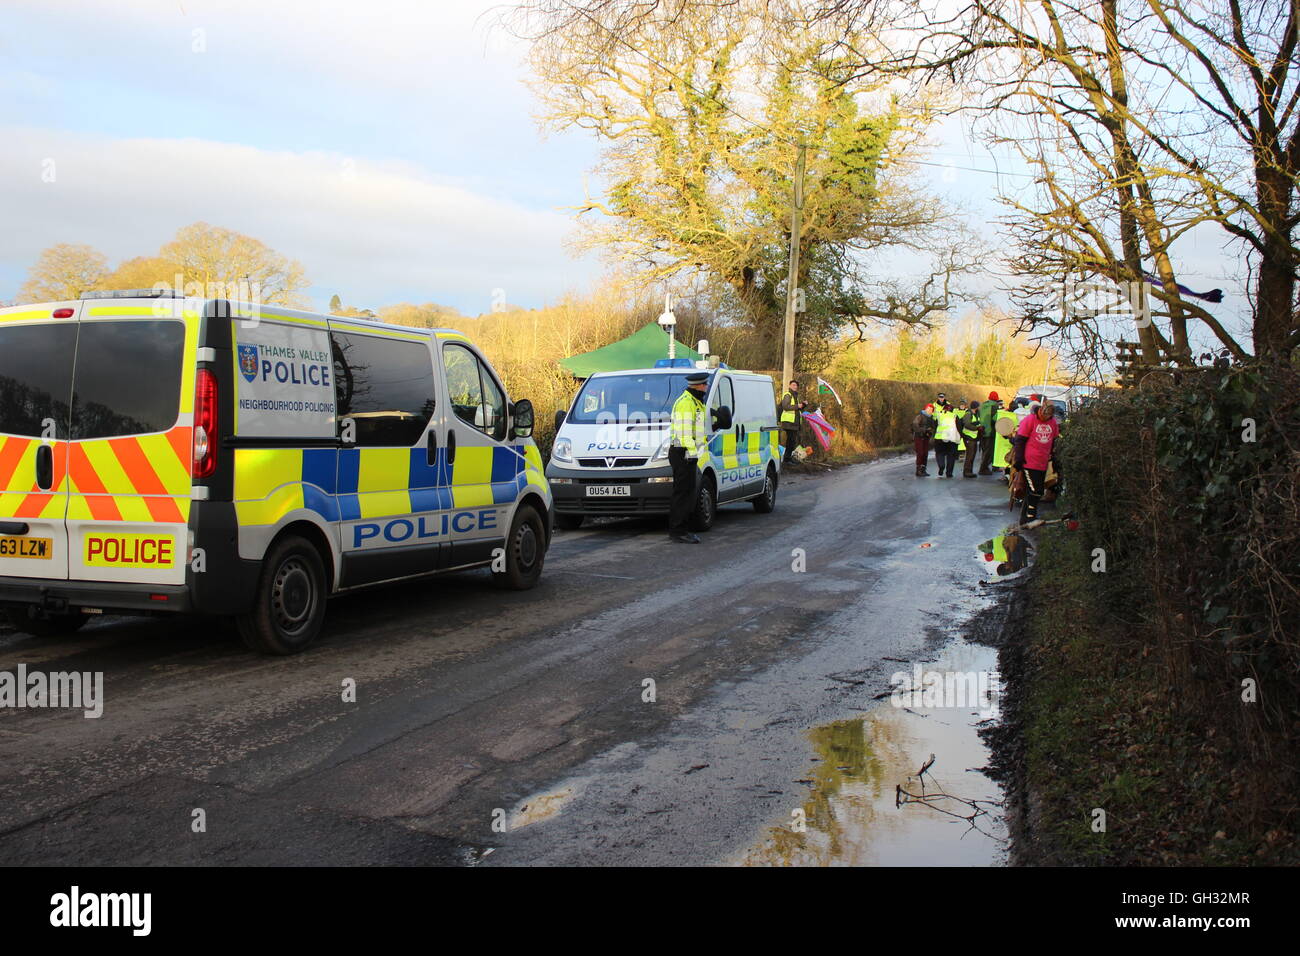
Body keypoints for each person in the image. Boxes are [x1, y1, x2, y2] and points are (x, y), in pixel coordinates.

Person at [668, 372, 711, 543]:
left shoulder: (695, 402)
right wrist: (693, 454)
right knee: (682, 494)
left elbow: (698, 427)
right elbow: (685, 433)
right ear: (698, 386)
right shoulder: (686, 403)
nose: (706, 388)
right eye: (705, 385)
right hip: (683, 452)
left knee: (687, 493)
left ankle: (682, 529)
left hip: (688, 453)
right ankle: (678, 532)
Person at [1013, 400, 1062, 525]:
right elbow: (1020, 440)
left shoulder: (1053, 423)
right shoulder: (1030, 420)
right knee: (1036, 490)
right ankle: (1030, 517)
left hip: (1043, 461)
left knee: (1034, 491)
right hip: (1029, 461)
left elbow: (1054, 441)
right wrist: (1019, 459)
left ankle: (1025, 518)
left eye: (1048, 416)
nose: (1045, 418)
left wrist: (1054, 457)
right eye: (1044, 415)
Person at [778, 380, 806, 464]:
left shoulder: (795, 396)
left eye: (796, 385)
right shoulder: (788, 395)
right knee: (790, 441)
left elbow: (796, 409)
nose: (795, 386)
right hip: (788, 422)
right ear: (790, 386)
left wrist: (803, 405)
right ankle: (787, 459)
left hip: (794, 423)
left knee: (792, 441)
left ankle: (788, 458)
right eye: (793, 385)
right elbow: (786, 406)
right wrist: (798, 405)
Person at [932, 401, 960, 478]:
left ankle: (941, 465)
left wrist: (934, 434)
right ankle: (949, 473)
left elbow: (934, 425)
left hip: (939, 438)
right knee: (951, 456)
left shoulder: (939, 415)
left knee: (939, 453)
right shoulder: (954, 416)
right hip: (951, 439)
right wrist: (960, 436)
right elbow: (959, 427)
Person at [959, 399, 983, 478]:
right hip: (969, 437)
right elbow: (967, 425)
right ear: (975, 407)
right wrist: (977, 428)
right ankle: (967, 471)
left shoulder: (975, 414)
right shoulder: (968, 414)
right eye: (978, 407)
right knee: (970, 454)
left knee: (972, 454)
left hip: (974, 437)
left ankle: (970, 471)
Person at [977, 391, 999, 474]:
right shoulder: (994, 405)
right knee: (989, 451)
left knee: (984, 450)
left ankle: (984, 467)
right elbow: (995, 418)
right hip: (990, 431)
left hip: (982, 431)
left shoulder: (983, 405)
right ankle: (983, 469)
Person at [911, 404, 936, 477]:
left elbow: (933, 428)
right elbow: (915, 426)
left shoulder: (931, 418)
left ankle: (923, 469)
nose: (930, 410)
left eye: (931, 409)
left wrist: (930, 432)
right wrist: (924, 430)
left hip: (926, 438)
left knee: (925, 453)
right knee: (920, 453)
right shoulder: (919, 416)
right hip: (919, 437)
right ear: (925, 409)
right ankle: (918, 470)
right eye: (928, 408)